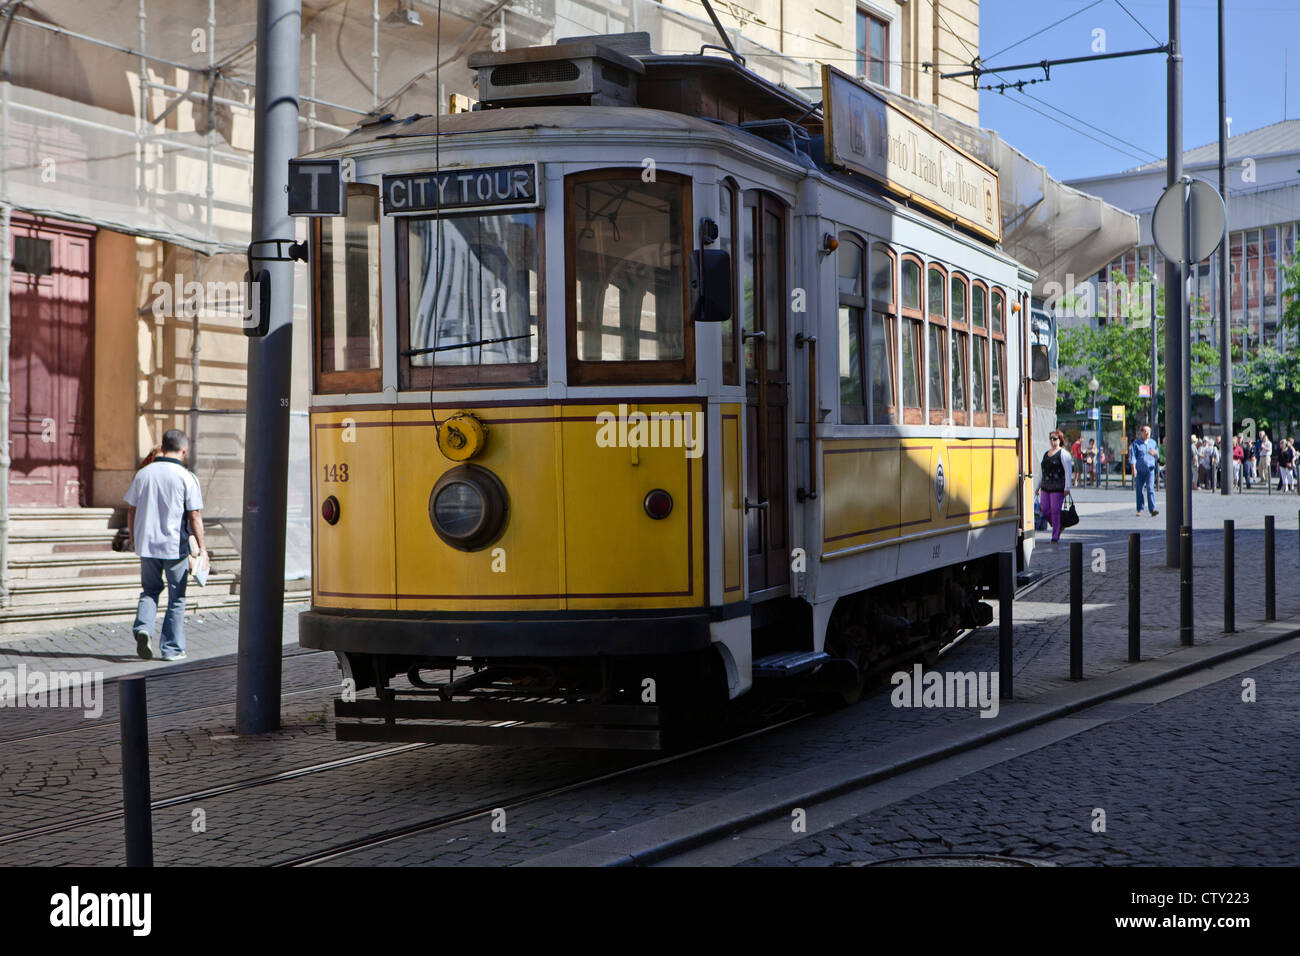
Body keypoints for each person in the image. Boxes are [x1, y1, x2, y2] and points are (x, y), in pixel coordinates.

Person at [124, 429, 206, 662]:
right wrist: (202, 548)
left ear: (163, 445)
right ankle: (171, 649)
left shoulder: (144, 474)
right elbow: (194, 516)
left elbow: (131, 509)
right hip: (174, 546)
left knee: (149, 590)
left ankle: (143, 629)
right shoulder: (186, 477)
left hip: (147, 545)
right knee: (176, 597)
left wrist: (134, 537)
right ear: (184, 450)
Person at [1038, 429, 1073, 543]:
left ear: (1060, 440)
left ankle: (1055, 535)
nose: (1052, 441)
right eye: (1051, 438)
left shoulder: (1063, 454)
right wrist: (1037, 486)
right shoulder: (1046, 454)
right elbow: (1041, 471)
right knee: (1045, 509)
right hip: (1045, 486)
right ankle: (1058, 525)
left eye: (1055, 439)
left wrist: (1067, 487)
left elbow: (1068, 471)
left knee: (1055, 510)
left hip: (1058, 487)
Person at [1130, 425, 1159, 517]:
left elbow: (1157, 456)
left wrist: (1155, 454)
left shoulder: (1153, 443)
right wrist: (1133, 468)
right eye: (1145, 432)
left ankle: (1153, 509)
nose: (1147, 433)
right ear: (1141, 433)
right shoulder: (1136, 443)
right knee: (1139, 490)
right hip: (1140, 470)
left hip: (1150, 469)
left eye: (1148, 432)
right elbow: (1133, 457)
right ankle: (1140, 509)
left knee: (1150, 489)